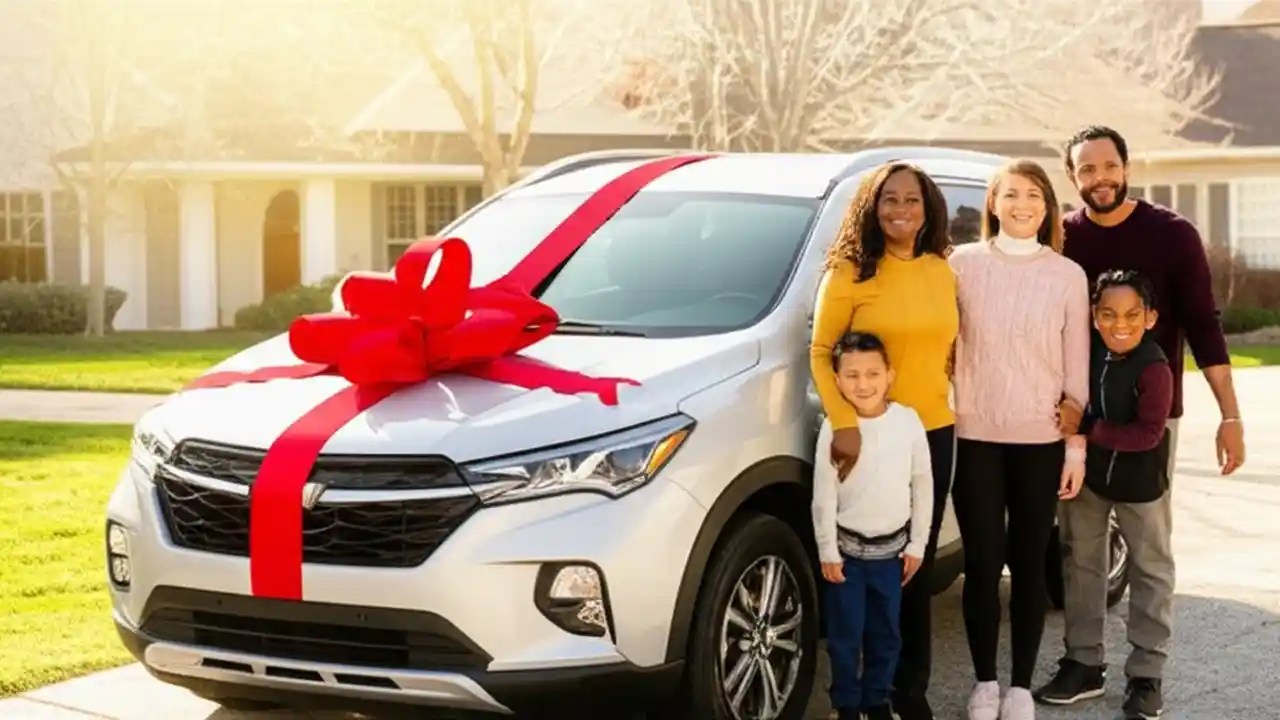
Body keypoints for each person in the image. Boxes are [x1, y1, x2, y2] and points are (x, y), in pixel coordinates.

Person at [1035, 124, 1248, 717]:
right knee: (1080, 549)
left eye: (1108, 166)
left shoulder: (1171, 234)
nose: (1098, 178)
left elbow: (1205, 325)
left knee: (1149, 552)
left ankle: (1146, 673)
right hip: (1080, 420)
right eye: (1086, 169)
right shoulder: (1063, 238)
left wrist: (1230, 415)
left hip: (1153, 420)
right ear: (1072, 176)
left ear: (1126, 168)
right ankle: (1083, 662)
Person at [808, 161, 958, 720]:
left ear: (928, 208)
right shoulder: (849, 271)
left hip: (933, 432)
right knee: (860, 575)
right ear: (872, 207)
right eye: (889, 200)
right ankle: (853, 694)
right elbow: (822, 353)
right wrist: (845, 421)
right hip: (866, 434)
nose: (901, 210)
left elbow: (948, 348)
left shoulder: (941, 269)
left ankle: (905, 692)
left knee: (912, 565)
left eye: (912, 200)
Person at [948, 158, 1090, 720]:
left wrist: (1075, 446)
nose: (1022, 204)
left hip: (1042, 440)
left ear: (1048, 206)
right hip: (975, 434)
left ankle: (1022, 686)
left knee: (1030, 565)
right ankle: (985, 682)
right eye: (1011, 194)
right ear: (993, 203)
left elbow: (1076, 367)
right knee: (982, 564)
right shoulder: (961, 265)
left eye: (1033, 194)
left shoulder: (1067, 275)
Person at [1033, 270, 1174, 720]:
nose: (1120, 324)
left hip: (1141, 488)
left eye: (1133, 314)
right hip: (1089, 482)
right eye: (1108, 313)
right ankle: (1084, 663)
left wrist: (1089, 428)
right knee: (1081, 566)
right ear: (1093, 316)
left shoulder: (1155, 367)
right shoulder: (1085, 355)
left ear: (1150, 318)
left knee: (1150, 571)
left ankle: (1146, 675)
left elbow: (1148, 434)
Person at [812, 331, 934, 720]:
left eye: (872, 373)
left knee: (886, 635)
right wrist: (828, 551)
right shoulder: (835, 428)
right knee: (845, 637)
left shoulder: (908, 422)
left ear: (889, 374)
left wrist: (917, 545)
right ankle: (846, 703)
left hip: (891, 558)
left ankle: (876, 699)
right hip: (847, 557)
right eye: (852, 375)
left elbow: (923, 485)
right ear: (836, 380)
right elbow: (824, 495)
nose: (863, 384)